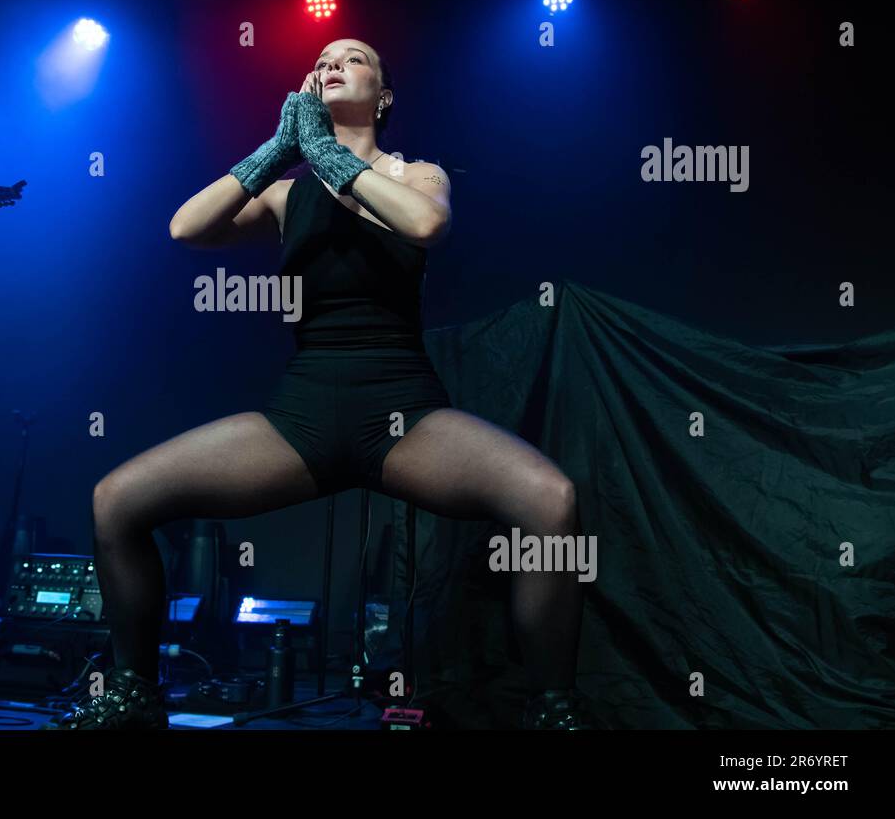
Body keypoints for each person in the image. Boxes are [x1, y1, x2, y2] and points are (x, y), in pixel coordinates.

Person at [50, 38, 593, 730]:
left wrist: (328, 153)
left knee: (551, 501)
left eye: (356, 58)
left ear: (385, 95)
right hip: (303, 416)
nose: (333, 63)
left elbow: (427, 224)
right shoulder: (285, 195)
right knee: (116, 500)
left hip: (403, 416)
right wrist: (281, 149)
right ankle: (134, 699)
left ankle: (553, 712)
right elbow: (185, 227)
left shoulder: (415, 174)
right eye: (323, 60)